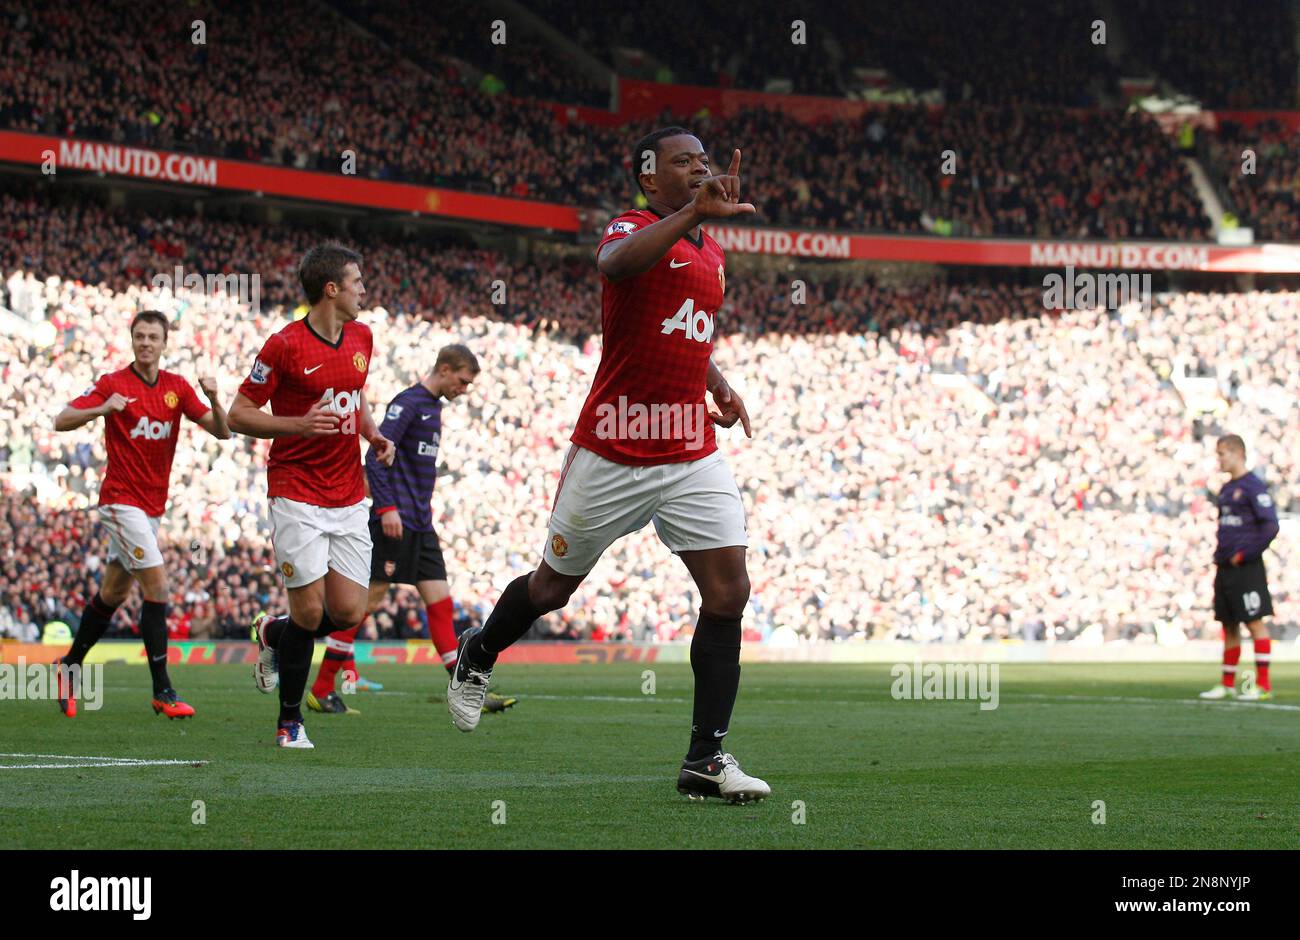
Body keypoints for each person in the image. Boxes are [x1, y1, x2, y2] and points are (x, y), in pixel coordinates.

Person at [447, 127, 769, 803]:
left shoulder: (709, 249)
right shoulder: (636, 224)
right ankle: (478, 652)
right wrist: (691, 213)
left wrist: (717, 384)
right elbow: (617, 267)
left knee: (729, 593)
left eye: (703, 160)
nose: (700, 168)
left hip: (687, 449)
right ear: (650, 178)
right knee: (550, 590)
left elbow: (684, 328)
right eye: (684, 162)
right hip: (613, 446)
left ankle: (705, 761)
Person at [228, 245, 394, 748]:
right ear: (331, 290)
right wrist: (296, 424)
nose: (364, 290)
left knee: (348, 611)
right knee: (308, 613)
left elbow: (355, 397)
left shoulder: (363, 336)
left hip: (347, 492)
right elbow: (238, 413)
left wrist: (373, 434)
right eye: (357, 281)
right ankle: (289, 723)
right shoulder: (283, 346)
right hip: (296, 490)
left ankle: (272, 634)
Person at [306, 344, 516, 716]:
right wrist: (386, 507)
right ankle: (319, 686)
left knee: (440, 602)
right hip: (395, 521)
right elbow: (375, 454)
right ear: (446, 369)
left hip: (421, 524)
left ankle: (464, 688)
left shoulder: (433, 408)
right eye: (463, 382)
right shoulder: (408, 403)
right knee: (360, 607)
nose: (464, 390)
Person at [51, 310, 230, 718]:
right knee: (158, 584)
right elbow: (61, 419)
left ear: (165, 342)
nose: (145, 342)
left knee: (113, 592)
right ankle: (162, 691)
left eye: (153, 336)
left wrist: (216, 398)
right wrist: (103, 409)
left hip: (151, 507)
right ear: (131, 340)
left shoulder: (176, 387)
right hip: (119, 500)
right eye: (139, 336)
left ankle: (70, 664)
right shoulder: (113, 384)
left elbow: (222, 431)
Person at [1199, 434, 1281, 702]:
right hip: (1225, 566)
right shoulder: (1225, 489)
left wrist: (1246, 554)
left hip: (1246, 567)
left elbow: (1270, 526)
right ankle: (1227, 683)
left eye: (1222, 454)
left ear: (1237, 453)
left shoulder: (1253, 487)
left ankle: (1263, 685)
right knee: (1229, 624)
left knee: (1254, 622)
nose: (1219, 459)